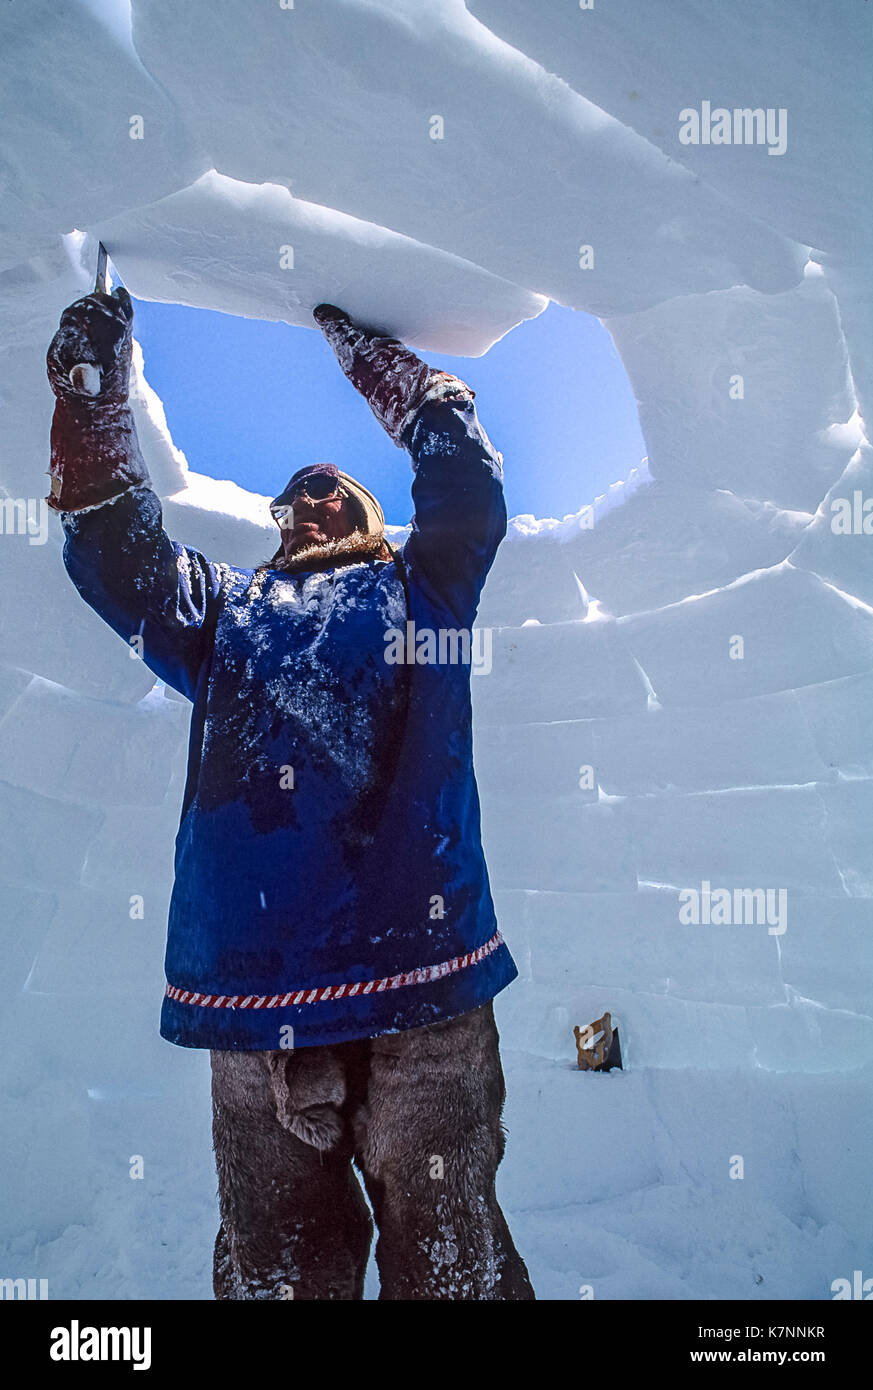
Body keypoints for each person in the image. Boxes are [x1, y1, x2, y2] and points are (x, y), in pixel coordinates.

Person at [45, 287, 534, 1300]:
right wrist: (91, 407)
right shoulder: (222, 611)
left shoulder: (420, 591)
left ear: (372, 523)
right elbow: (119, 562)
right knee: (278, 1271)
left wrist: (385, 372)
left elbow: (467, 488)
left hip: (420, 973)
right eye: (291, 498)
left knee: (451, 1267)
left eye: (332, 494)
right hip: (250, 985)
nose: (306, 502)